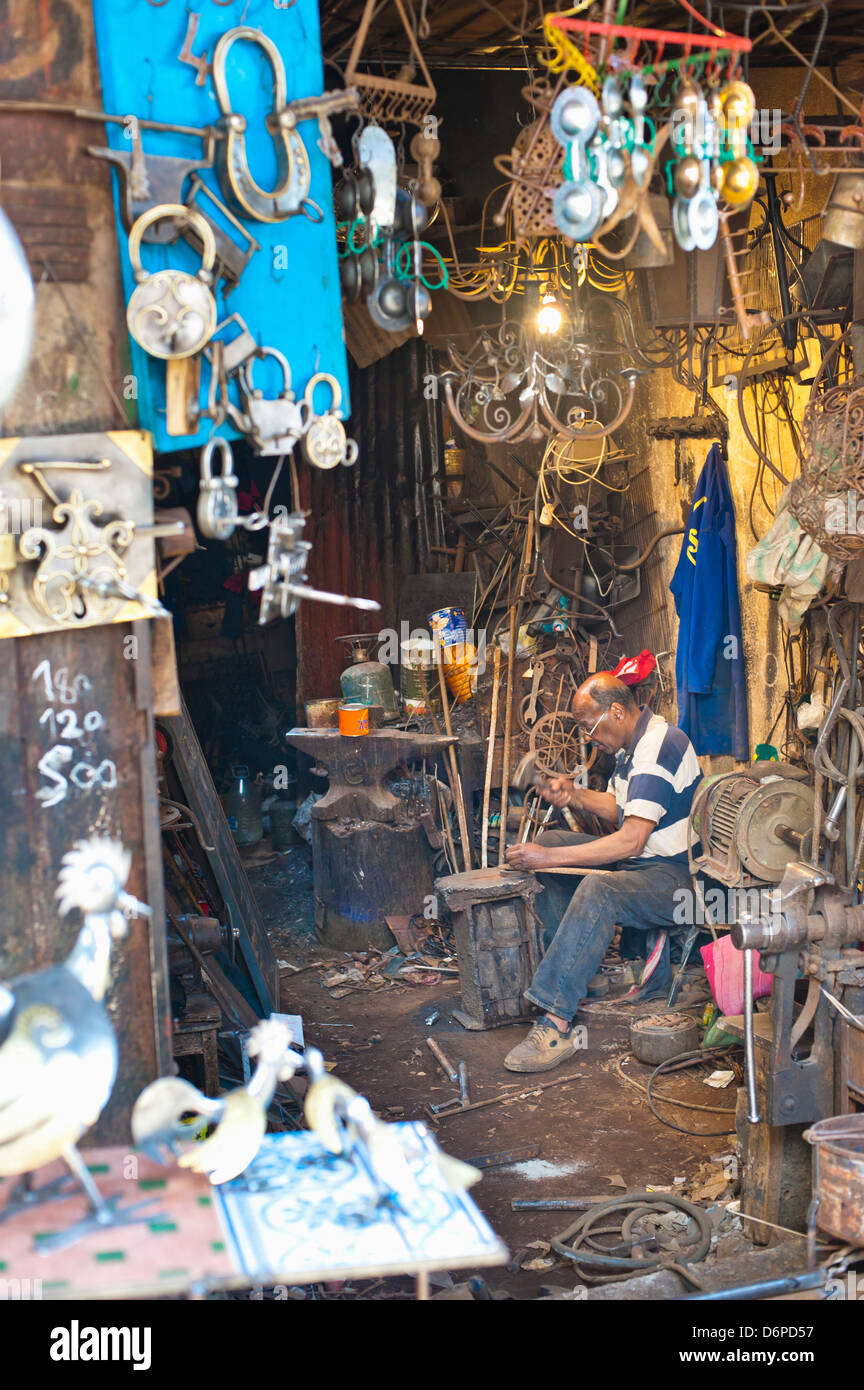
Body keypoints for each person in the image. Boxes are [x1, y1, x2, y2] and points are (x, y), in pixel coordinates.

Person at [502, 673, 702, 1073]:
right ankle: (570, 974)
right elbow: (622, 808)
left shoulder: (659, 747)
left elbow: (630, 840)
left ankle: (556, 1022)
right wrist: (574, 793)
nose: (589, 737)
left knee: (598, 889)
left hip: (678, 880)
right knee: (558, 840)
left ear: (616, 711)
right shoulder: (633, 748)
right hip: (647, 865)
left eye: (588, 726)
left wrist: (546, 859)